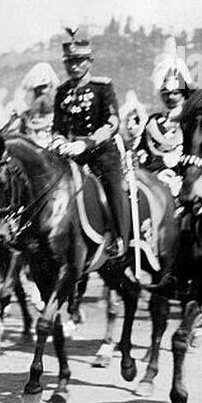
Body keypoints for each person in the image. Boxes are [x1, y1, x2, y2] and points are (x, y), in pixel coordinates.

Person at [51, 28, 130, 258]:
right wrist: (58, 141)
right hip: (70, 156)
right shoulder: (62, 92)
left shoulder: (102, 87)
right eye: (69, 62)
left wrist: (86, 143)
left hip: (101, 154)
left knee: (113, 186)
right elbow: (57, 126)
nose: (73, 66)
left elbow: (112, 122)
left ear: (89, 61)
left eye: (78, 61)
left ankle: (119, 239)